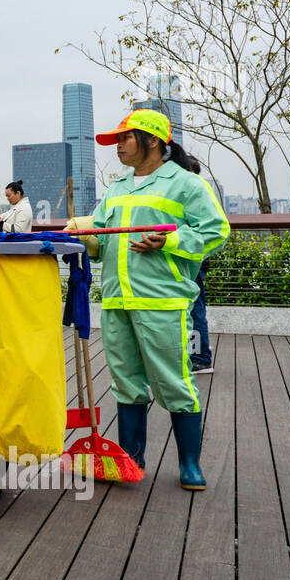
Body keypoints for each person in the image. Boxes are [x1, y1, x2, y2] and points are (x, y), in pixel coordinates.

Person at [74, 109, 228, 490]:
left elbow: (216, 231)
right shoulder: (116, 188)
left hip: (162, 300)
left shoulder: (186, 185)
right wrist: (86, 238)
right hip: (116, 301)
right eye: (117, 141)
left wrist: (171, 240)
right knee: (125, 383)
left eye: (125, 139)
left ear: (154, 141)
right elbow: (104, 243)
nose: (119, 147)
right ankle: (131, 461)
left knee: (174, 382)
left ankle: (190, 465)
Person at [187, 160, 214, 375]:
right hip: (197, 256)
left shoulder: (194, 189)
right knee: (196, 305)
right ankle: (199, 352)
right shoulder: (200, 188)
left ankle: (201, 357)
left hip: (193, 256)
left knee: (195, 307)